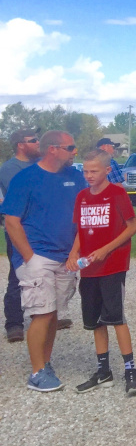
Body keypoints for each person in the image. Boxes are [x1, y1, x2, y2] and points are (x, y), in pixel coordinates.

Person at [0, 131, 86, 392]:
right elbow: (11, 221)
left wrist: (75, 253)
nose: (75, 152)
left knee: (53, 313)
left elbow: (84, 214)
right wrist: (29, 257)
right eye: (70, 147)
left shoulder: (75, 176)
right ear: (53, 149)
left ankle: (45, 363)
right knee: (42, 313)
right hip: (38, 256)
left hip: (66, 257)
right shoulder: (25, 178)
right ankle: (37, 373)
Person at [68, 149, 136, 395]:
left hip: (112, 265)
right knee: (95, 321)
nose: (88, 175)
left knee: (116, 318)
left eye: (94, 171)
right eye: (85, 171)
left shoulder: (117, 193)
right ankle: (103, 371)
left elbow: (132, 227)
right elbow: (81, 229)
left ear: (107, 170)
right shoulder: (82, 197)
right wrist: (73, 253)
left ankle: (130, 370)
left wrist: (106, 249)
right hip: (89, 269)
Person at [0, 128, 42, 343]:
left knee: (44, 272)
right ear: (20, 145)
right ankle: (14, 323)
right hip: (19, 229)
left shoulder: (42, 163)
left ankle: (42, 316)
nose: (38, 143)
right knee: (18, 275)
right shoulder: (8, 169)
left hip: (42, 230)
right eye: (33, 140)